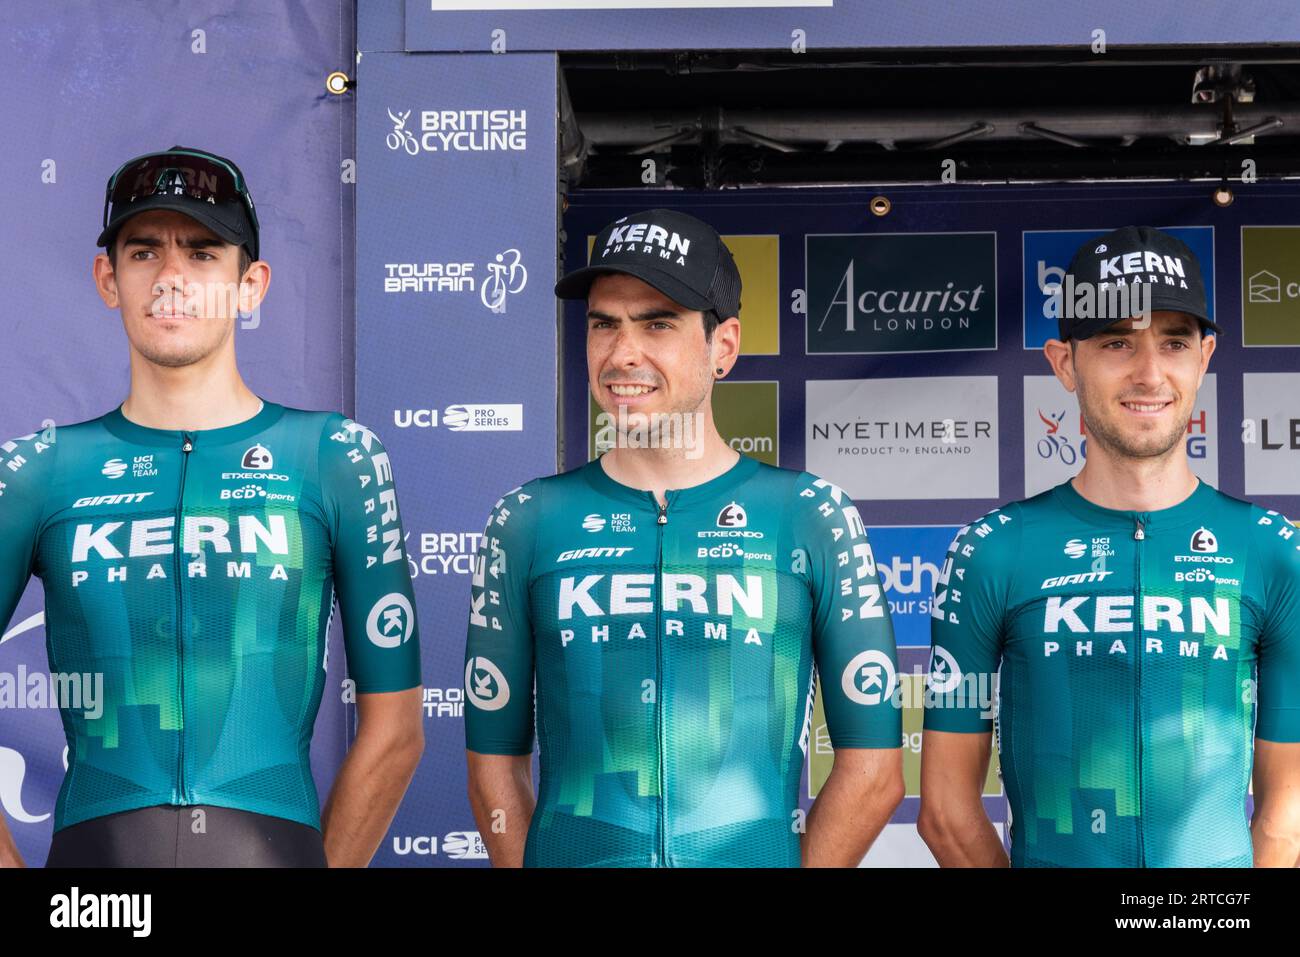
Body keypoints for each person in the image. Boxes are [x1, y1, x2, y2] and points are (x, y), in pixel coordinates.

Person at [0, 146, 423, 867]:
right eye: (143, 252)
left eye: (201, 253)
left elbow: (397, 726)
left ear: (249, 285)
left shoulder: (332, 456)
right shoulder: (40, 469)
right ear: (109, 278)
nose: (170, 278)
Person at [463, 208, 903, 867]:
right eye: (604, 324)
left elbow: (875, 769)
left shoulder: (810, 514)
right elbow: (493, 767)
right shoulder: (528, 518)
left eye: (657, 323)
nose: (623, 353)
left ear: (722, 345)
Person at [918, 226, 1300, 867]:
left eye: (1173, 342)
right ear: (1065, 363)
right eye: (1116, 341)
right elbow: (946, 815)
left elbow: (1286, 813)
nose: (1149, 373)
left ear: (1204, 357)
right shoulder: (994, 550)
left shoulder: (1273, 552)